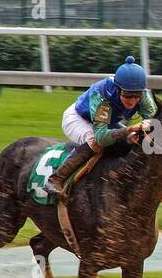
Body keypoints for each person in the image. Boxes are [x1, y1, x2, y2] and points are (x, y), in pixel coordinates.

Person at [45, 55, 156, 201]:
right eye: (127, 95)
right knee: (95, 142)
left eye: (137, 96)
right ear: (117, 90)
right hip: (79, 118)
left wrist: (143, 130)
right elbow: (102, 137)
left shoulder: (143, 95)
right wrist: (130, 129)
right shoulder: (102, 94)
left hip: (107, 121)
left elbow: (154, 121)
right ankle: (55, 180)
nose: (133, 101)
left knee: (130, 141)